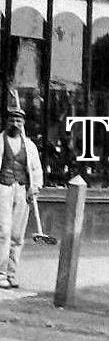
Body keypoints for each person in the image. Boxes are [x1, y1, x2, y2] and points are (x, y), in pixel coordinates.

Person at [0, 106, 43, 290]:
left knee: (17, 235)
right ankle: (1, 273)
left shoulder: (30, 146)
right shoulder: (0, 141)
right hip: (3, 188)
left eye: (19, 120)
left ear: (23, 123)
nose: (15, 123)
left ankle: (12, 273)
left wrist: (35, 187)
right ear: (7, 121)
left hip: (22, 190)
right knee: (3, 232)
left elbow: (36, 170)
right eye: (12, 119)